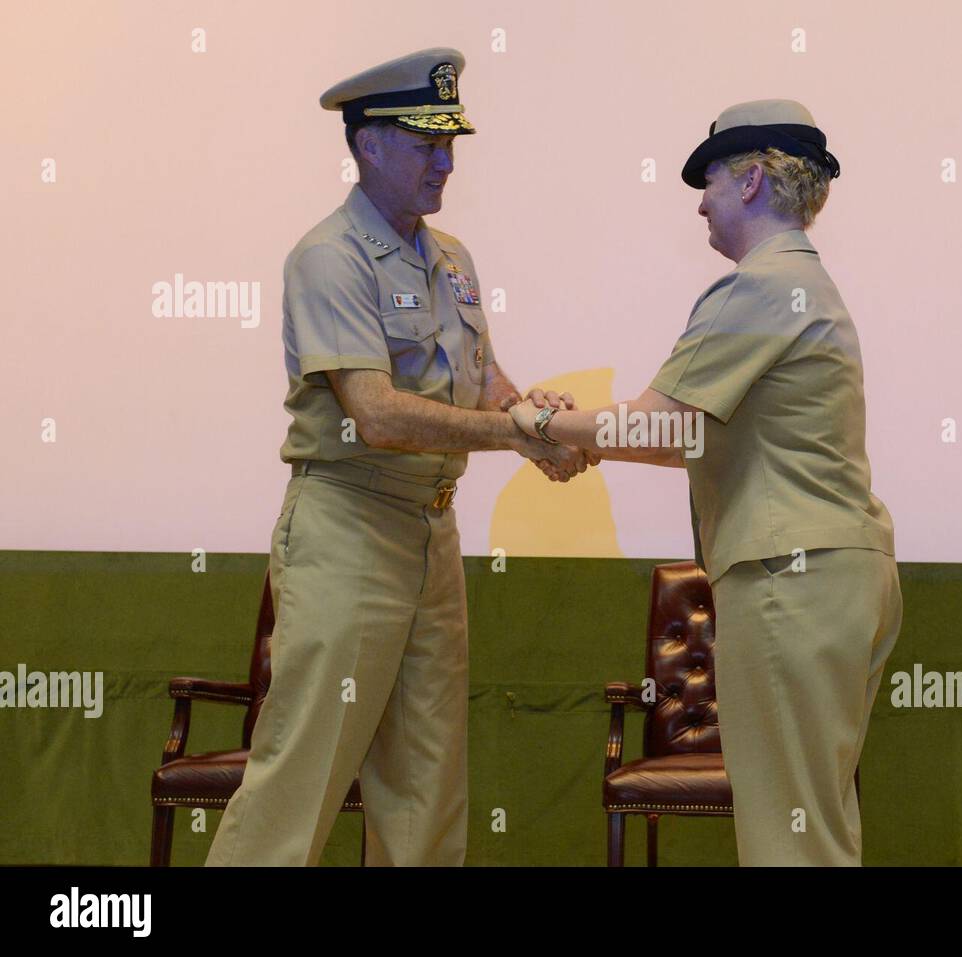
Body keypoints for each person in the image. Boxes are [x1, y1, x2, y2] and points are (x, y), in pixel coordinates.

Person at [206, 48, 589, 866]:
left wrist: (531, 413)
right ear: (369, 144)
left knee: (425, 788)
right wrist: (516, 436)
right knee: (299, 780)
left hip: (431, 538)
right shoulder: (328, 257)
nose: (446, 163)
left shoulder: (451, 258)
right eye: (426, 145)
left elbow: (480, 379)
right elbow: (375, 414)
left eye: (452, 144)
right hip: (347, 532)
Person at [508, 100, 902, 866]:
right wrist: (570, 433)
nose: (700, 199)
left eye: (712, 178)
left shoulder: (759, 288)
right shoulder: (802, 288)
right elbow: (683, 436)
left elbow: (657, 426)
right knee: (814, 821)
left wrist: (539, 426)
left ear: (753, 179)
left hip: (792, 576)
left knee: (791, 834)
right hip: (830, 572)